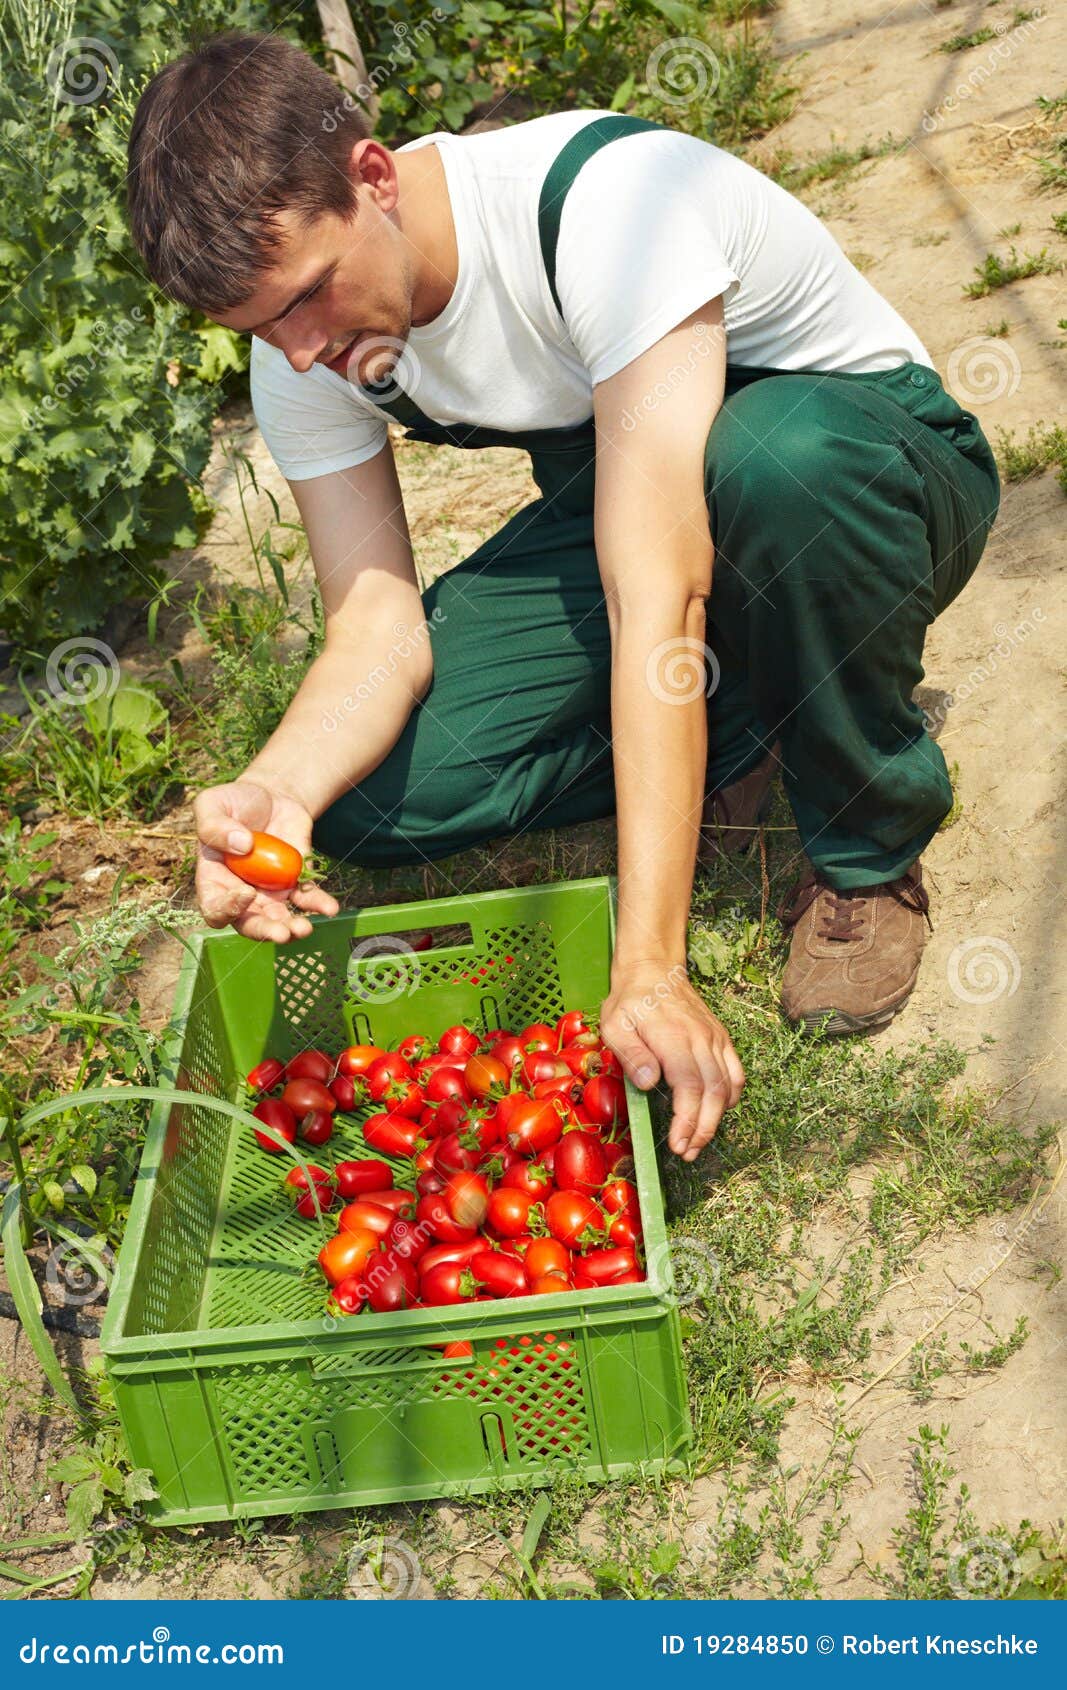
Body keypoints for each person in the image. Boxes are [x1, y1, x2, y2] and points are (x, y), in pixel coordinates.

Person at [126, 31, 1000, 1163]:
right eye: (256, 329)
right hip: (667, 520)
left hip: (864, 475)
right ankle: (759, 710)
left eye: (303, 298)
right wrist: (274, 792)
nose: (296, 354)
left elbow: (658, 597)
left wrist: (647, 964)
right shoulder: (304, 350)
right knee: (377, 795)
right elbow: (374, 625)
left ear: (373, 177)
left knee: (769, 466)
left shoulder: (603, 211)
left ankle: (862, 846)